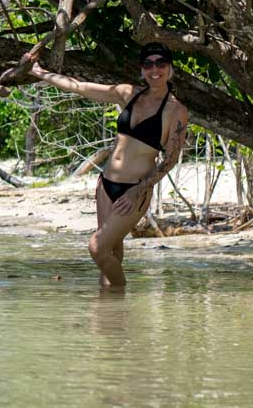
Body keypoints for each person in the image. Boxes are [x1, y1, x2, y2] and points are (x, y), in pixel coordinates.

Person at [29, 42, 190, 288]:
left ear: (170, 69)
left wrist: (138, 190)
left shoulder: (176, 110)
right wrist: (39, 73)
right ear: (141, 68)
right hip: (106, 185)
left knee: (97, 247)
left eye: (161, 63)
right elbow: (80, 87)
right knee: (111, 250)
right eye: (148, 64)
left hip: (135, 190)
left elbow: (170, 161)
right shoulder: (128, 93)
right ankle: (112, 316)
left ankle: (121, 291)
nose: (154, 69)